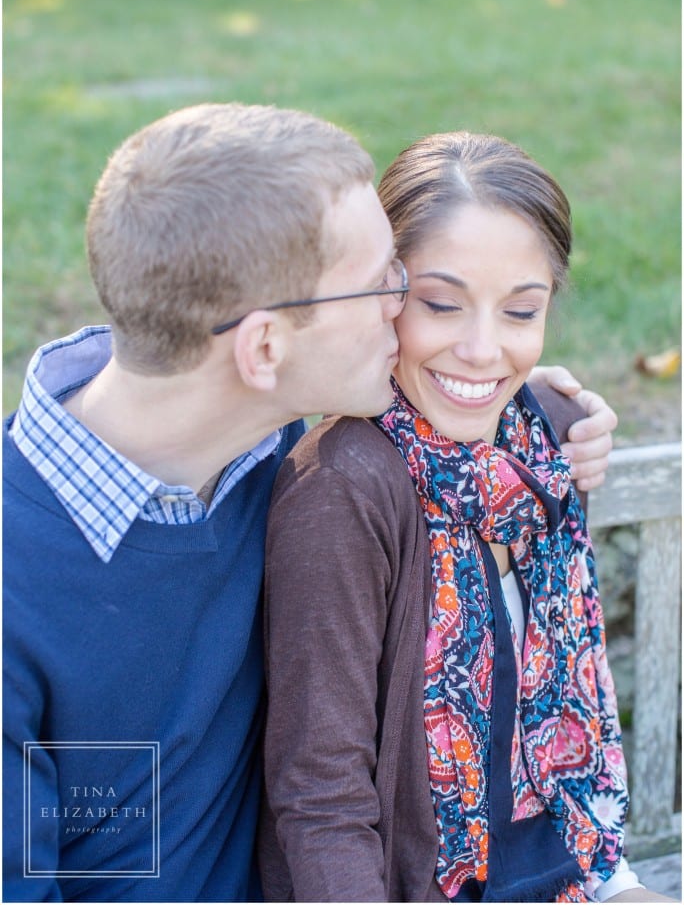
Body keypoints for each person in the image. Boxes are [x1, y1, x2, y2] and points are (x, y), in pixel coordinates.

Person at [3, 103, 615, 904]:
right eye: (381, 287)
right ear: (264, 349)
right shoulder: (20, 587)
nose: (402, 309)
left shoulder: (252, 436)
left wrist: (527, 407)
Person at [259, 132, 672, 903]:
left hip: (573, 872)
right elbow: (320, 794)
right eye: (442, 304)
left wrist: (615, 885)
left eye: (521, 310)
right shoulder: (344, 490)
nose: (483, 350)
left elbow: (556, 739)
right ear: (386, 296)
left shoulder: (542, 441)